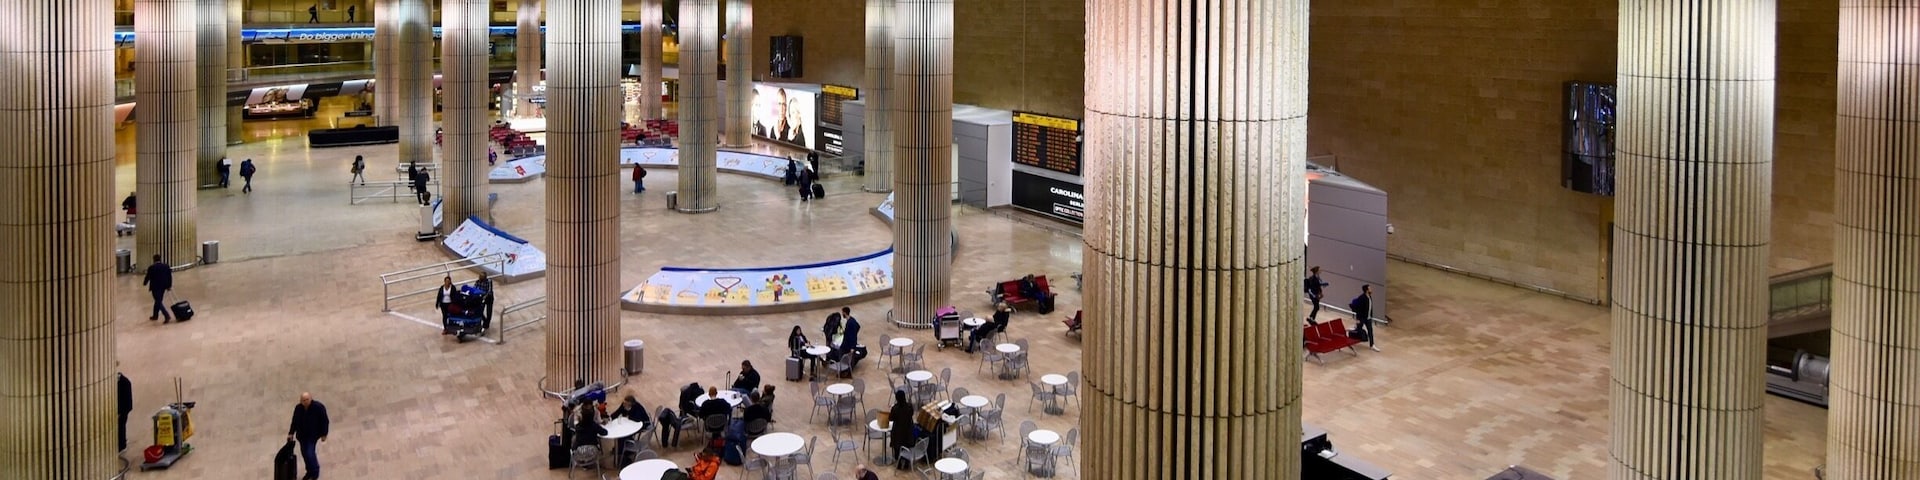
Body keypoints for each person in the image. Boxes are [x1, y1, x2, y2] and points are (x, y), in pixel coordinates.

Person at [287, 392, 330, 480]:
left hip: (312, 436)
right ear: (300, 401)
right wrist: (291, 433)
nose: (305, 402)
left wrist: (324, 434)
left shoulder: (318, 407)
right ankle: (309, 472)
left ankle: (315, 472)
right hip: (302, 436)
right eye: (303, 400)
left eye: (307, 399)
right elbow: (294, 421)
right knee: (305, 454)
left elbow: (325, 421)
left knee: (310, 454)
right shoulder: (298, 408)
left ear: (311, 399)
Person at [887, 389, 916, 470]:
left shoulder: (895, 408)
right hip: (908, 430)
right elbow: (912, 414)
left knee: (897, 446)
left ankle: (899, 463)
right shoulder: (909, 406)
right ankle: (907, 463)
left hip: (898, 431)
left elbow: (891, 418)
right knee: (907, 444)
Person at [142, 254, 173, 322]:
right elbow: (169, 277)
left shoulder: (151, 267)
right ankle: (155, 315)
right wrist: (169, 286)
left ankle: (166, 315)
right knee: (158, 301)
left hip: (155, 287)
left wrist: (145, 283)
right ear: (160, 259)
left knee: (158, 301)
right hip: (163, 286)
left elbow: (148, 277)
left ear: (153, 260)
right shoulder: (166, 266)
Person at [1350, 284, 1379, 352]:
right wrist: (1358, 319)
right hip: (1362, 317)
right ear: (1366, 290)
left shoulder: (1369, 296)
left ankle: (1372, 345)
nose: (1371, 289)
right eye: (1369, 288)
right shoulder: (1362, 298)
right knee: (1358, 329)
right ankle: (1352, 339)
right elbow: (1358, 309)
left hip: (1368, 318)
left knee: (1370, 331)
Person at [117, 369, 133, 452]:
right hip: (121, 410)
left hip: (123, 410)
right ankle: (121, 444)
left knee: (121, 427)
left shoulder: (125, 383)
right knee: (120, 427)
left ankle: (122, 446)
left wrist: (121, 412)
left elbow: (127, 400)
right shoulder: (122, 383)